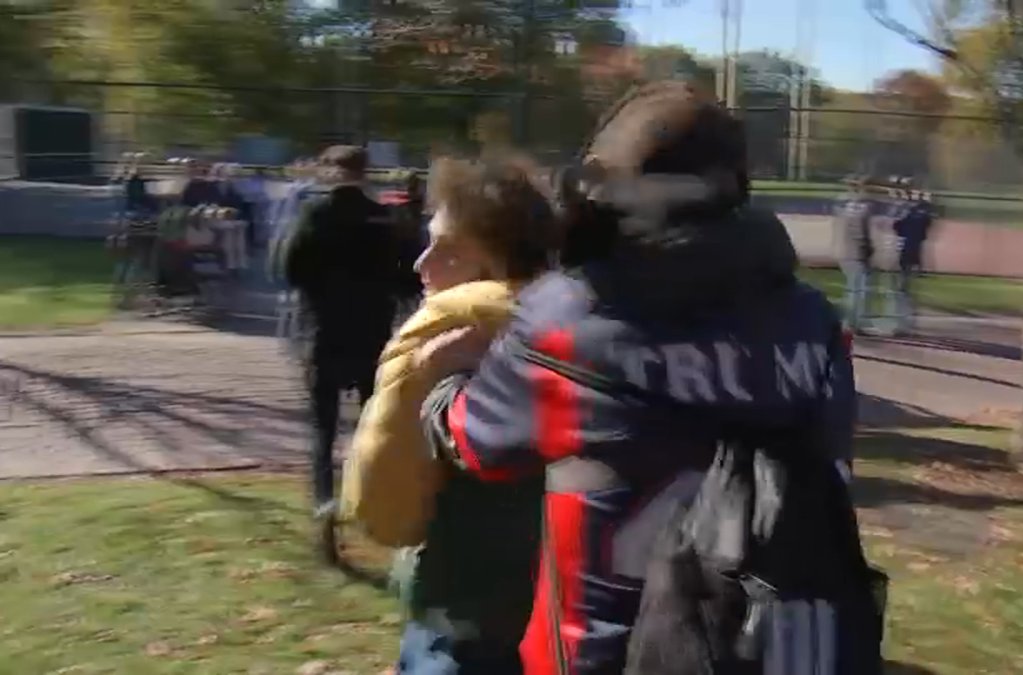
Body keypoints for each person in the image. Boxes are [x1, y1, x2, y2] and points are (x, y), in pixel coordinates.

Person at [415, 81, 858, 675]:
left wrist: (447, 377)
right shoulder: (814, 320)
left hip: (599, 658)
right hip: (767, 649)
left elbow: (474, 444)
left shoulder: (565, 317)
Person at [342, 154, 556, 675]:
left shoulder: (471, 344)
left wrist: (432, 381)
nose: (423, 264)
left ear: (497, 273)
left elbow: (385, 499)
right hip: (459, 614)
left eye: (449, 252)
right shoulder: (567, 336)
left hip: (474, 621)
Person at [282, 145, 410, 560]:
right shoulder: (384, 218)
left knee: (322, 430)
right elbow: (406, 278)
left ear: (329, 172)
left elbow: (290, 268)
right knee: (370, 425)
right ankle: (370, 502)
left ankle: (324, 505)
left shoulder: (315, 215)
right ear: (365, 172)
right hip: (371, 335)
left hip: (324, 334)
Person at [835, 175, 880, 333]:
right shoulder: (863, 208)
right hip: (857, 253)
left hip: (846, 251)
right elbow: (862, 234)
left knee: (851, 289)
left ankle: (849, 322)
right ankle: (855, 322)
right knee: (858, 290)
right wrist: (868, 251)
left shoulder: (846, 206)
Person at [890, 188, 935, 332]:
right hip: (912, 254)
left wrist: (902, 206)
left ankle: (903, 323)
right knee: (905, 290)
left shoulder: (913, 214)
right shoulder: (920, 214)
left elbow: (897, 226)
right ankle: (907, 322)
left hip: (907, 253)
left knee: (902, 290)